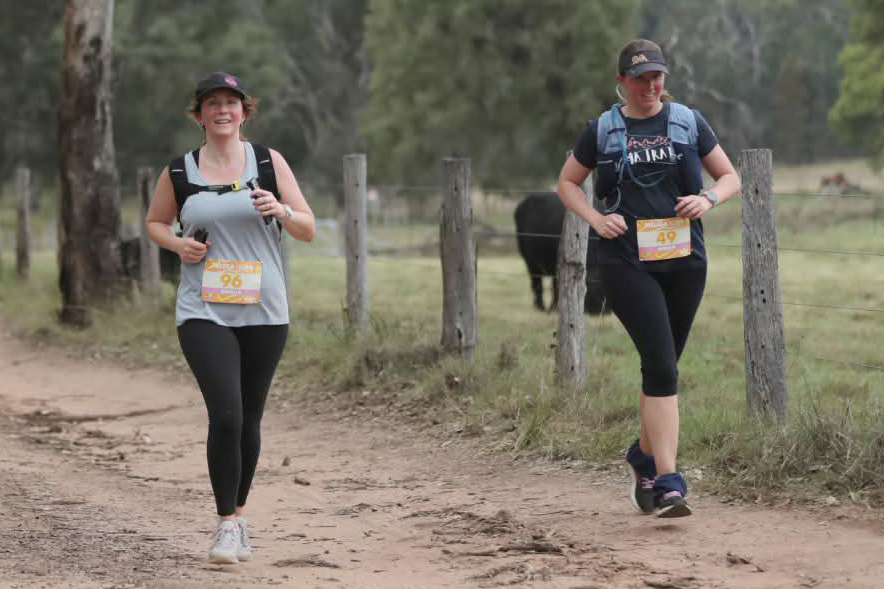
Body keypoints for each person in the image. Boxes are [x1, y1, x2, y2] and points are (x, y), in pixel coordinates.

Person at [556, 40, 740, 518]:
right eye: (640, 79)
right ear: (622, 83)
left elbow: (729, 177)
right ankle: (671, 480)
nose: (650, 86)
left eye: (657, 77)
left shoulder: (687, 122)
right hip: (625, 263)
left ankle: (644, 458)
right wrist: (596, 221)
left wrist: (709, 200)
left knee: (664, 370)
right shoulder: (601, 130)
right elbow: (567, 183)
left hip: (685, 262)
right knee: (659, 363)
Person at [146, 72, 315, 562]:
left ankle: (239, 514)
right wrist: (179, 243)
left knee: (250, 419)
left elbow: (307, 228)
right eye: (212, 103)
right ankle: (227, 525)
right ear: (198, 115)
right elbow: (156, 222)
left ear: (245, 111)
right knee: (226, 414)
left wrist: (281, 208)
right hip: (204, 310)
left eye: (231, 103)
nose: (223, 110)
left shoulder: (268, 162)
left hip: (265, 310)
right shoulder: (180, 171)